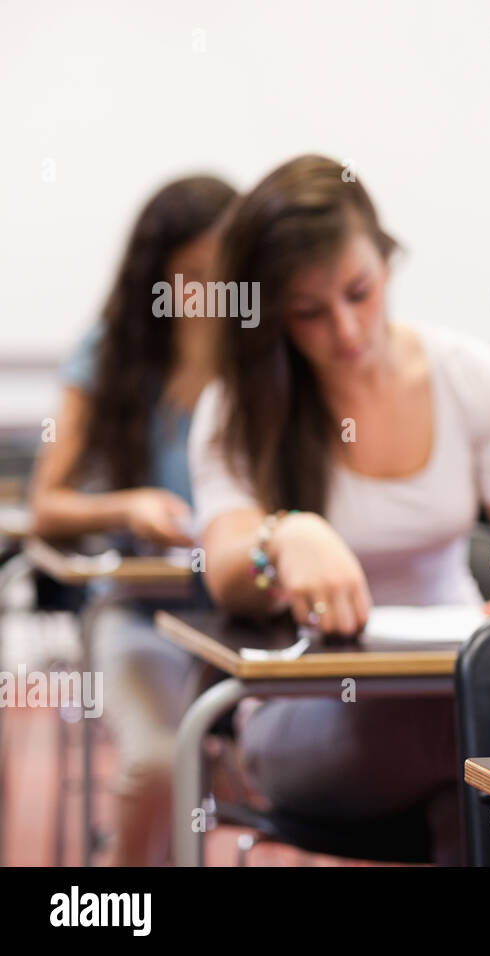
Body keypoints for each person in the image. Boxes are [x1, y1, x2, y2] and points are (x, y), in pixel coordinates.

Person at [189, 155, 490, 864]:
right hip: (309, 719)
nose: (345, 330)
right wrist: (281, 536)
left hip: (455, 683)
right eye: (309, 312)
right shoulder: (239, 408)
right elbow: (222, 569)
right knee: (488, 738)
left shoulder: (468, 377)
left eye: (360, 292)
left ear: (387, 259)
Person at [28, 174, 238, 865]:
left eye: (224, 274)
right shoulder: (110, 353)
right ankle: (116, 888)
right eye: (191, 275)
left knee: (231, 771)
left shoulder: (262, 359)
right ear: (157, 276)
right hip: (139, 614)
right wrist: (128, 505)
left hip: (243, 619)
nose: (209, 293)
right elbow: (46, 505)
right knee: (156, 760)